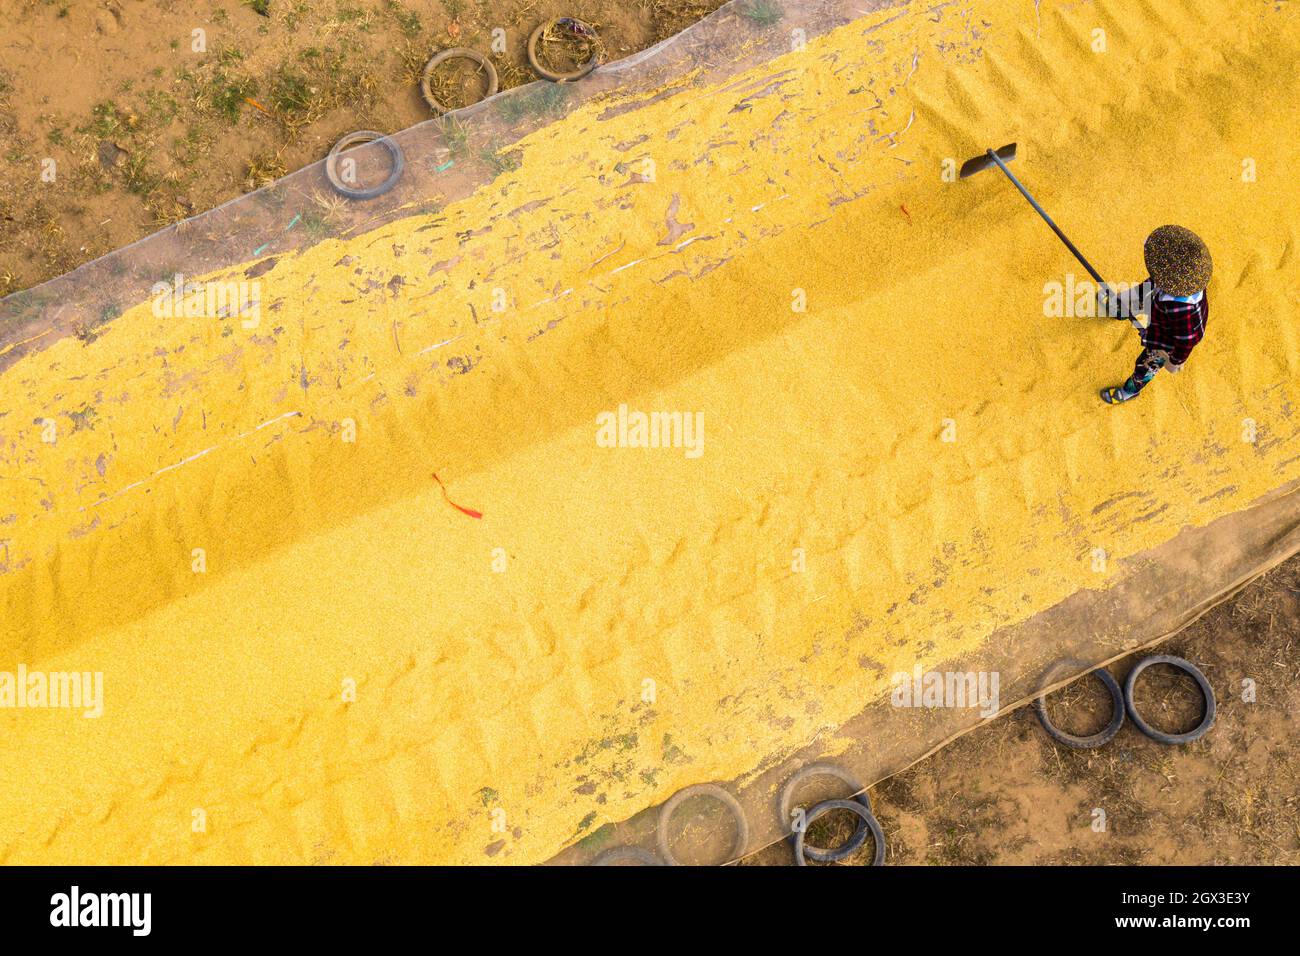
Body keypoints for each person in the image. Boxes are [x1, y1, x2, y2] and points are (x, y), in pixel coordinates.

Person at [1099, 225, 1212, 404]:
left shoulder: (1185, 313)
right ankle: (1122, 309)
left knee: (1146, 365)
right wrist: (1122, 298)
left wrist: (1172, 361)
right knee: (1142, 299)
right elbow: (1148, 286)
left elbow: (1187, 341)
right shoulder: (1178, 277)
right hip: (1160, 312)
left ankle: (1130, 390)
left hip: (1165, 343)